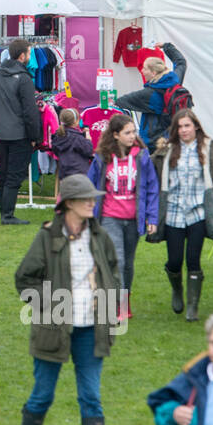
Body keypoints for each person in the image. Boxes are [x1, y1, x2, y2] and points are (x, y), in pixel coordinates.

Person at [12, 174, 121, 425]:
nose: (92, 202)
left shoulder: (100, 236)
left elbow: (114, 270)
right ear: (69, 204)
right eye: (86, 198)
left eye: (93, 198)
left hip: (91, 330)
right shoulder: (47, 237)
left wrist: (107, 298)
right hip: (53, 328)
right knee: (42, 395)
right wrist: (54, 304)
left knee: (91, 397)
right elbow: (24, 279)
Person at [150, 109, 213, 322]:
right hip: (172, 212)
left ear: (196, 126)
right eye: (179, 127)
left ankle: (192, 306)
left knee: (193, 260)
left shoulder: (209, 147)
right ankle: (177, 290)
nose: (183, 130)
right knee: (174, 260)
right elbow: (148, 175)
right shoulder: (166, 151)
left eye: (187, 126)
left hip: (198, 213)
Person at [87, 114, 158, 320]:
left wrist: (151, 218)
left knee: (128, 263)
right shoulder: (102, 157)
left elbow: (152, 187)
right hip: (109, 217)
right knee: (116, 260)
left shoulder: (142, 156)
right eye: (127, 133)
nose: (132, 136)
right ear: (116, 135)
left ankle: (124, 303)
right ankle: (115, 305)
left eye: (134, 132)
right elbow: (90, 186)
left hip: (134, 218)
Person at [0, 37, 41, 224]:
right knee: (14, 174)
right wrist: (36, 136)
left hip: (2, 132)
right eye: (28, 52)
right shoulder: (24, 78)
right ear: (22, 56)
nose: (30, 56)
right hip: (19, 133)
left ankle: (5, 212)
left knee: (4, 172)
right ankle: (7, 215)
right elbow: (30, 110)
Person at [115, 42, 187, 151]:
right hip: (176, 139)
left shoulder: (149, 94)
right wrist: (166, 46)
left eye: (144, 68)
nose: (142, 71)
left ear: (153, 73)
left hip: (154, 145)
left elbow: (120, 102)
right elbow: (181, 62)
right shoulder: (175, 80)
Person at [50, 108, 94, 183]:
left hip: (64, 174)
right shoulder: (77, 138)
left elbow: (56, 151)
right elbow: (88, 150)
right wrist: (88, 140)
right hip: (79, 174)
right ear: (76, 121)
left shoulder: (57, 137)